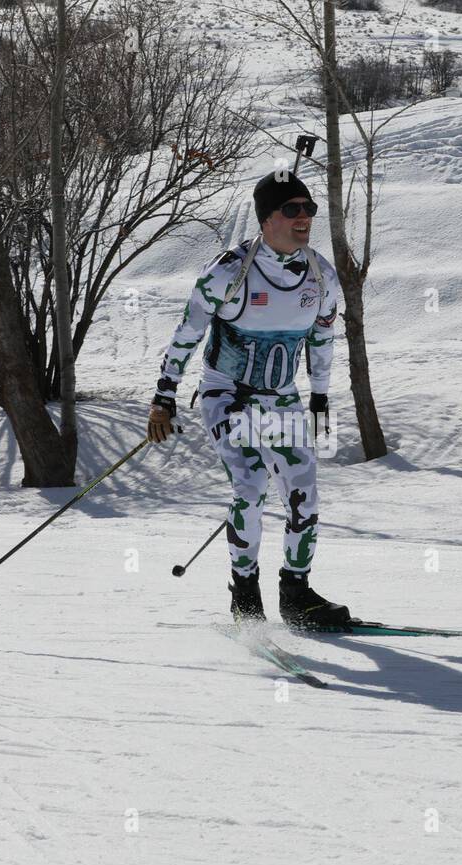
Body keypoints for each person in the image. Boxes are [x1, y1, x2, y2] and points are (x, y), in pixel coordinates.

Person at [146, 171, 351, 629]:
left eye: (309, 209)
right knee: (251, 484)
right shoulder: (229, 273)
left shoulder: (320, 276)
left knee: (303, 494)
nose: (304, 218)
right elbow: (187, 334)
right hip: (228, 396)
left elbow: (323, 339)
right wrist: (164, 397)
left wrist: (319, 398)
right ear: (266, 220)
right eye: (292, 209)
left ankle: (297, 593)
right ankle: (245, 595)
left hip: (282, 399)